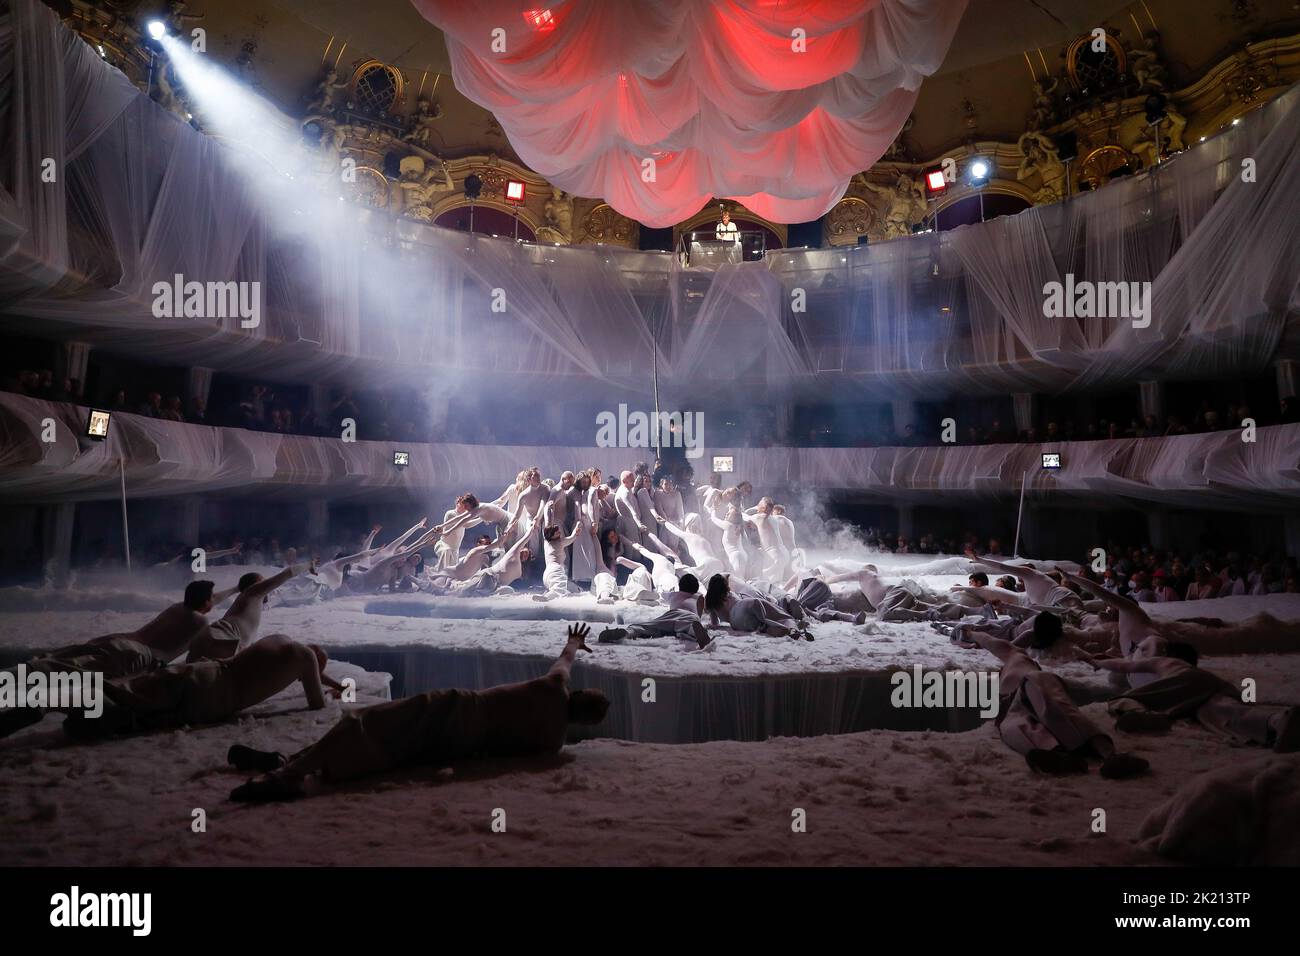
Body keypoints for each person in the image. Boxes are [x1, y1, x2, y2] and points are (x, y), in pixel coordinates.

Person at [227, 625, 610, 802]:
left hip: (457, 708)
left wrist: (575, 641)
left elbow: (565, 659)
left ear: (577, 695)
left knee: (365, 723)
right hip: (463, 745)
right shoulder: (553, 741)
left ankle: (288, 772)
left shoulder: (554, 687)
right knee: (392, 752)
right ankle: (291, 766)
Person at [954, 615, 1149, 778]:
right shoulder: (1026, 656)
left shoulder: (1017, 655)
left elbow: (990, 642)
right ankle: (1063, 755)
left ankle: (1104, 755)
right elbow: (1087, 656)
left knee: (1050, 708)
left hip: (1029, 683)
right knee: (1015, 725)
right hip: (1011, 702)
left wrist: (972, 633)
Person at [64, 634, 344, 742]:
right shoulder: (305, 660)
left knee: (126, 691)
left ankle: (60, 694)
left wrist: (329, 680)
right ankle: (80, 717)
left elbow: (311, 669)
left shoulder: (280, 639)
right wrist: (332, 693)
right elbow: (316, 703)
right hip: (217, 698)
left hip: (204, 671)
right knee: (138, 719)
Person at [186, 563, 313, 662]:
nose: (266, 585)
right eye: (263, 581)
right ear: (255, 586)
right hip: (219, 639)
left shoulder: (244, 602)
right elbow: (288, 573)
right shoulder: (252, 593)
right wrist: (310, 564)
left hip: (211, 639)